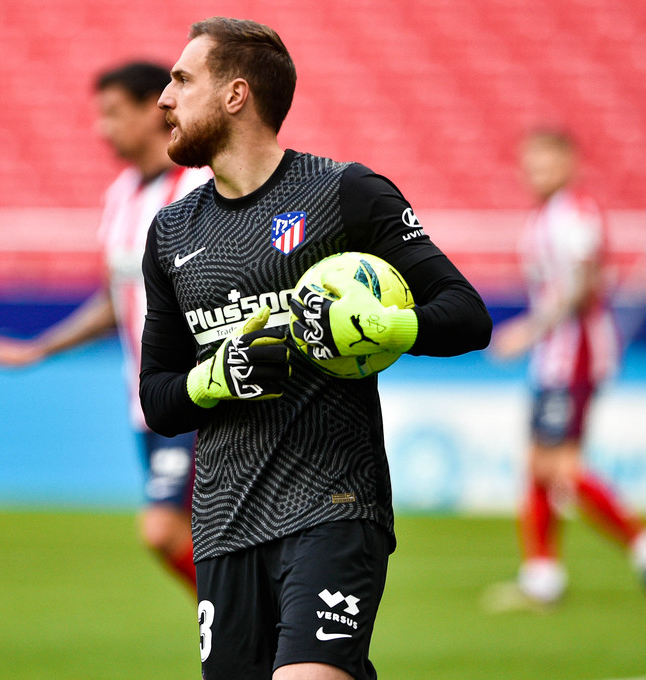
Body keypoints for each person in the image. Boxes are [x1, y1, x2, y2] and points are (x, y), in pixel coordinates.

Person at [138, 17, 491, 680]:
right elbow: (157, 398)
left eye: (183, 80)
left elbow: (466, 315)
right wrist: (214, 379)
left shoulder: (344, 194)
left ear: (235, 95)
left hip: (334, 507)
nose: (164, 98)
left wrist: (384, 329)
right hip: (223, 525)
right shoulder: (170, 232)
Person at [0, 62, 211, 592]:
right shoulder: (120, 196)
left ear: (155, 108)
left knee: (163, 530)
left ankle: (253, 627)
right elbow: (115, 301)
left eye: (113, 113)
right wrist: (40, 350)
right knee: (195, 537)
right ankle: (253, 634)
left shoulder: (201, 186)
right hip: (145, 403)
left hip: (199, 395)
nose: (102, 128)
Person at [485, 128, 646, 611]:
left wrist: (528, 331)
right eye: (531, 165)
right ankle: (542, 576)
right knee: (537, 464)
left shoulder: (575, 215)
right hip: (553, 357)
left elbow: (583, 283)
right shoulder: (544, 218)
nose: (538, 174)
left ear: (569, 164)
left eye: (547, 164)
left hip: (576, 355)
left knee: (561, 468)